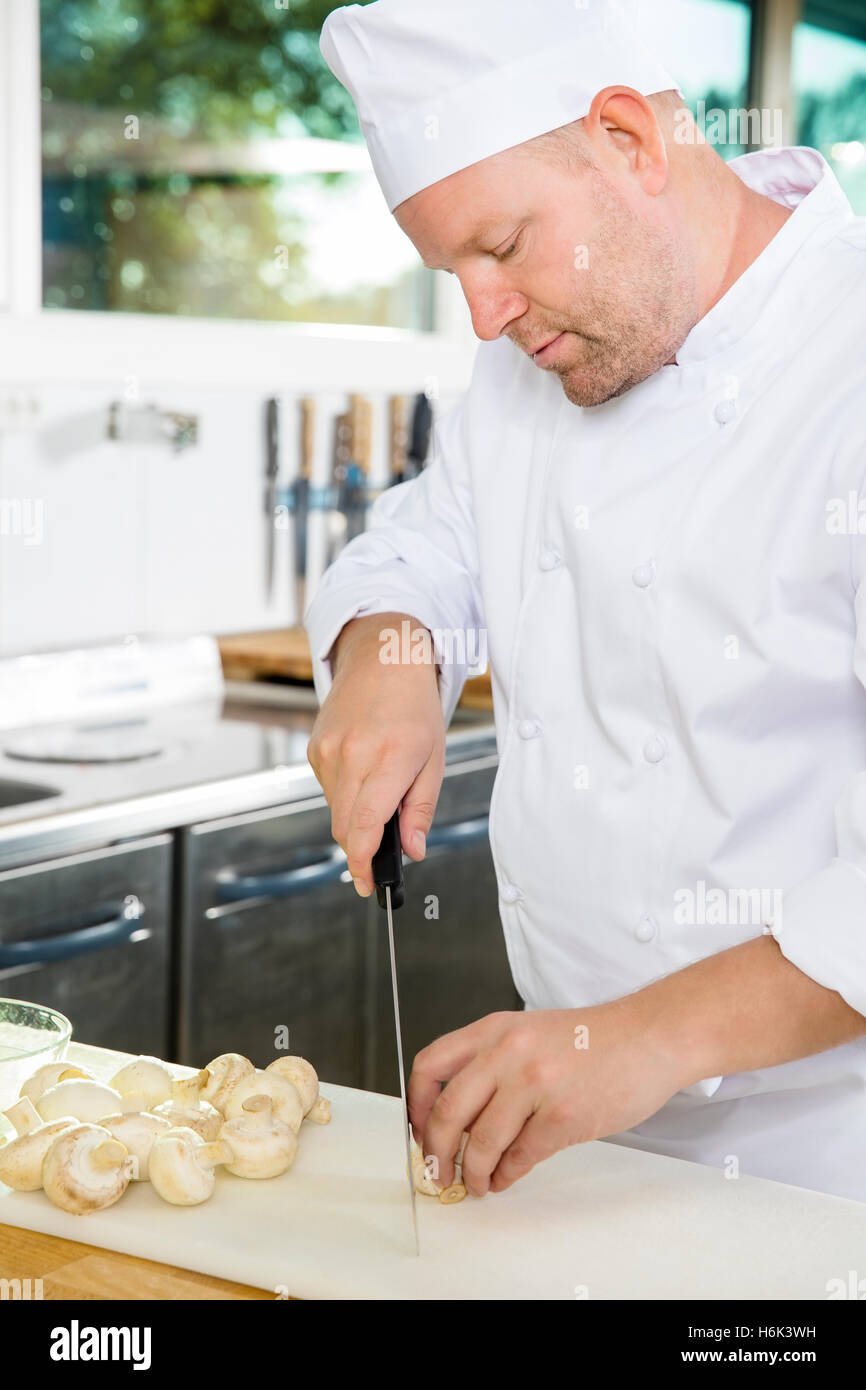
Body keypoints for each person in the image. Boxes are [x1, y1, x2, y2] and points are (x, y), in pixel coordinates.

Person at [305, 0, 866, 1203]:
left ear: (627, 139)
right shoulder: (534, 358)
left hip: (825, 1176)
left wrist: (637, 1040)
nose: (482, 313)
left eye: (498, 244)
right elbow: (423, 541)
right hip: (577, 1135)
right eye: (451, 270)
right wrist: (389, 654)